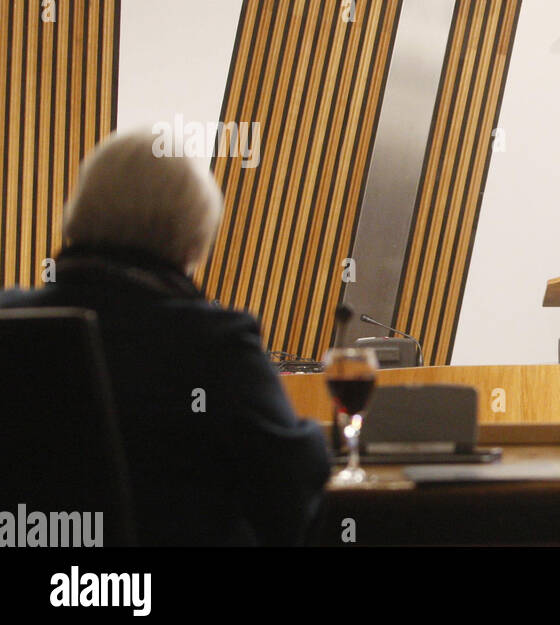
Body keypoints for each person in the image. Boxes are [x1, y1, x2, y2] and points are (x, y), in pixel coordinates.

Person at [0, 130, 330, 546]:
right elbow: (292, 487)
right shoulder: (213, 342)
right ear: (192, 240)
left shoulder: (10, 322)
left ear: (79, 213)